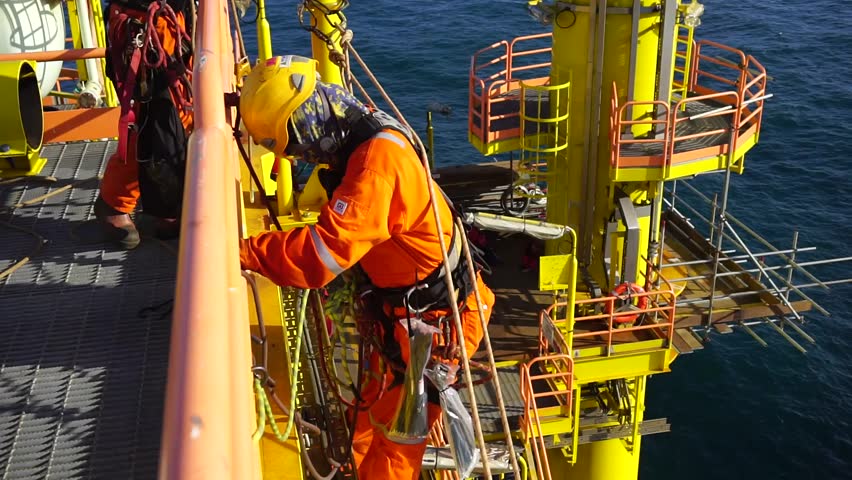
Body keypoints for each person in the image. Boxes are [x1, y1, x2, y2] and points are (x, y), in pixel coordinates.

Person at [238, 55, 494, 480]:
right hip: (404, 316)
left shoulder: (376, 165)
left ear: (308, 123)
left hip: (437, 326)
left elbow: (320, 257)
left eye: (297, 145)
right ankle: (350, 468)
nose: (301, 157)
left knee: (400, 441)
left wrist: (246, 252)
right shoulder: (362, 131)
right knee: (371, 410)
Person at [95, 0, 193, 249]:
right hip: (145, 23)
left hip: (170, 18)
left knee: (180, 118)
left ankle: (166, 203)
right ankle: (115, 202)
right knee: (151, 122)